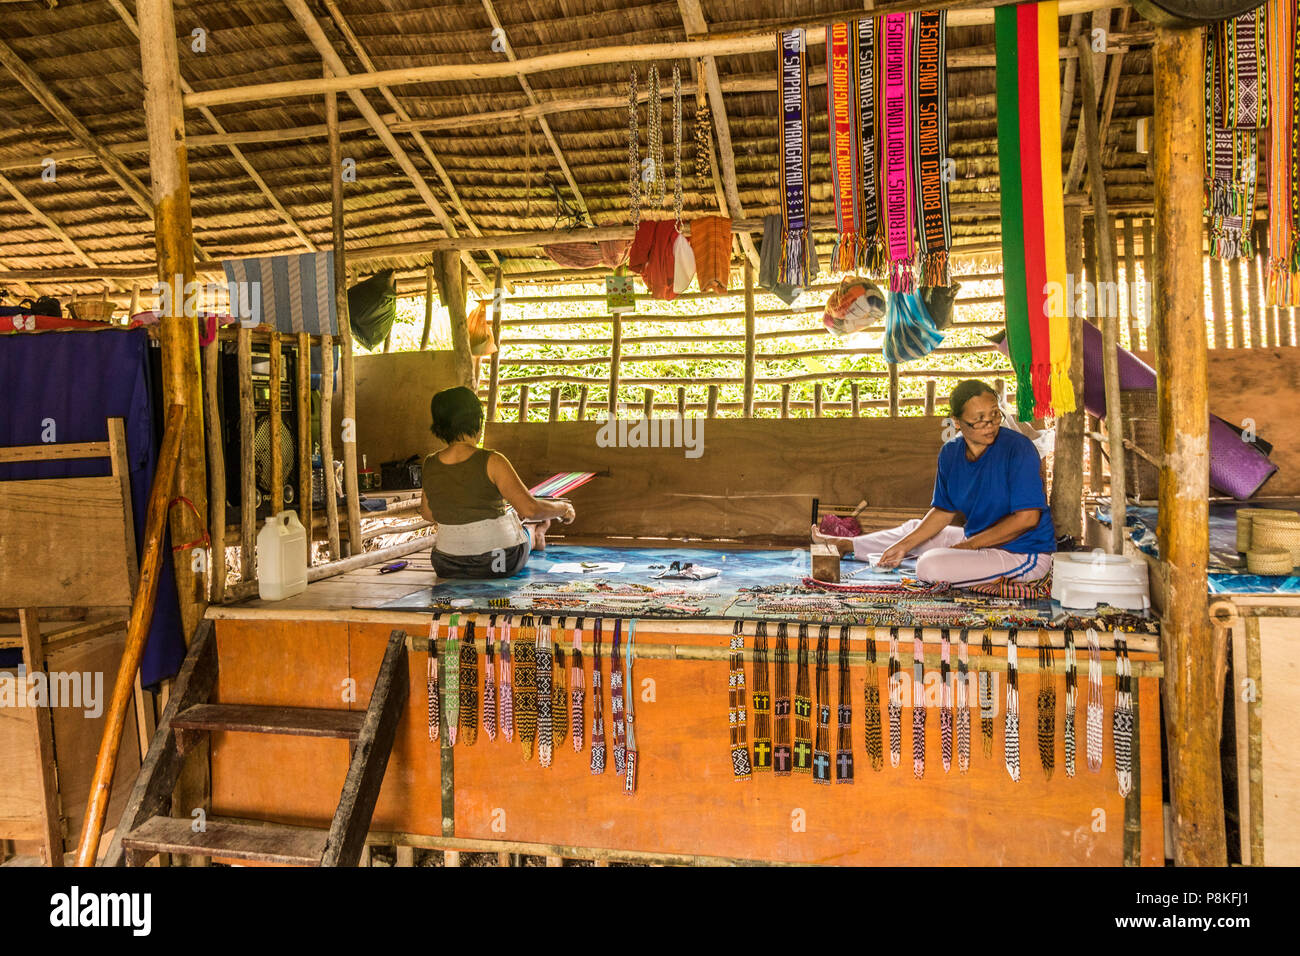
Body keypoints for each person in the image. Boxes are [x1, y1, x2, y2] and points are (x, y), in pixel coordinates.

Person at [812, 379, 1055, 586]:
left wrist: (968, 548)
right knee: (912, 531)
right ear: (957, 421)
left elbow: (1028, 518)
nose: (990, 424)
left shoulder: (1018, 449)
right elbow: (942, 513)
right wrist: (904, 546)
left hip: (1022, 553)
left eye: (994, 414)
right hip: (979, 541)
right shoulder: (950, 453)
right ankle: (847, 545)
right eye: (979, 419)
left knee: (929, 566)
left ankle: (943, 559)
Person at [418, 386, 574, 578]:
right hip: (498, 562)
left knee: (517, 524)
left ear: (439, 426)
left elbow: (428, 513)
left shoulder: (430, 464)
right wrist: (563, 508)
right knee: (528, 528)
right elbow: (529, 510)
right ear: (477, 420)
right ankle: (536, 535)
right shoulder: (492, 460)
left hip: (447, 564)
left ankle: (533, 534)